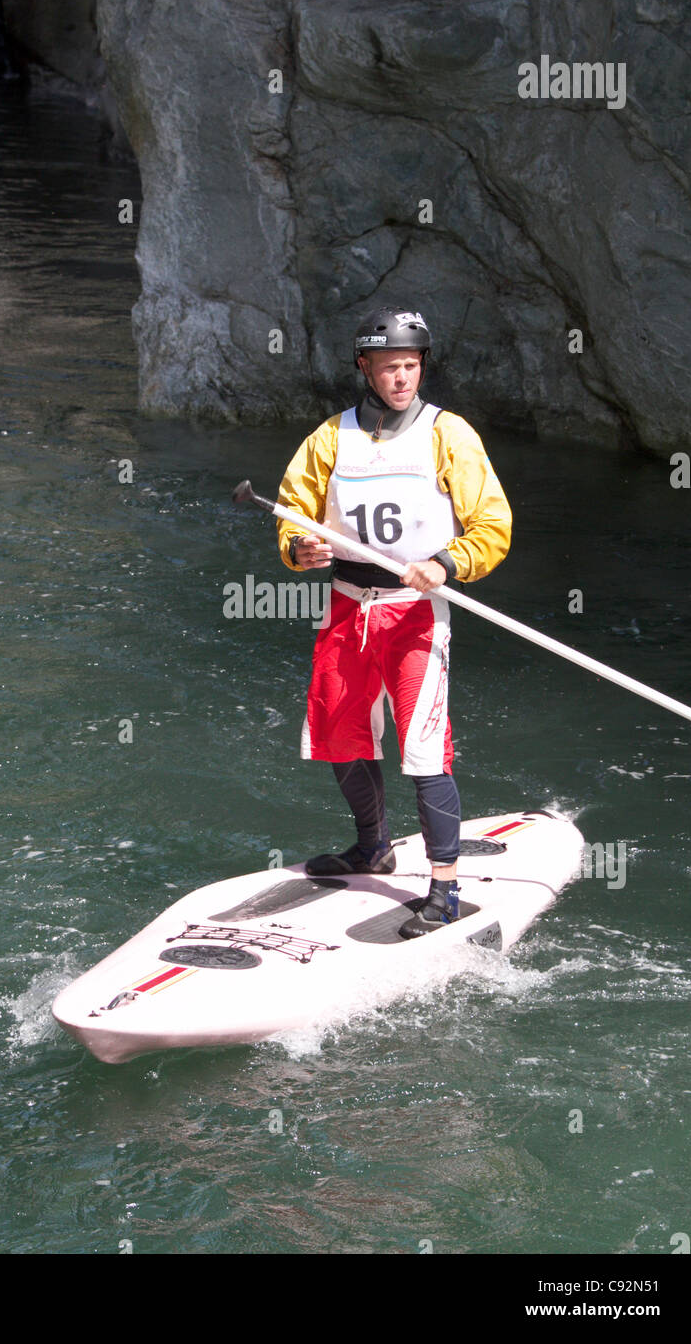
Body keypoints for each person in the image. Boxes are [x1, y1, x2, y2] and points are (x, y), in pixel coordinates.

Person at [276, 306, 512, 937]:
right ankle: (373, 844)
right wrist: (299, 550)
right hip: (349, 604)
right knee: (338, 731)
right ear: (365, 369)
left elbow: (493, 525)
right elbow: (294, 515)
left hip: (416, 613)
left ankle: (444, 888)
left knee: (424, 748)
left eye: (410, 366)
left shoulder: (449, 435)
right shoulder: (329, 438)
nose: (402, 378)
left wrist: (448, 561)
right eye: (389, 368)